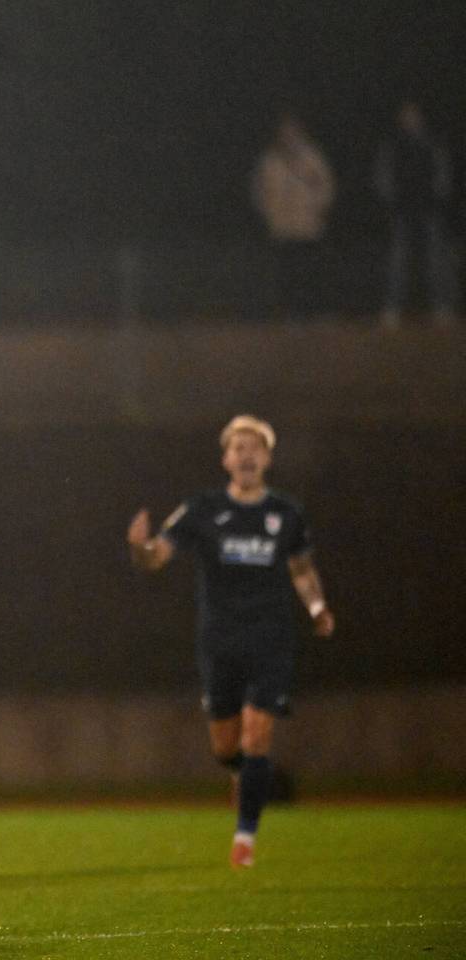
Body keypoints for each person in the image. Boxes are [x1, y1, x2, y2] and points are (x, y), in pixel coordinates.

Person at [126, 414, 336, 868]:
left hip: (270, 637)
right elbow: (156, 557)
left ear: (267, 458)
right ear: (226, 458)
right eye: (238, 447)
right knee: (226, 746)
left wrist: (317, 608)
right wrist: (139, 548)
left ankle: (245, 840)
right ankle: (245, 774)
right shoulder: (202, 510)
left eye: (254, 447)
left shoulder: (286, 513)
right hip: (220, 640)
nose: (246, 454)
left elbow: (301, 568)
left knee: (258, 732)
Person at [374, 102, 458, 328]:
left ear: (420, 117)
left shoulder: (433, 142)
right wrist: (391, 202)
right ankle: (392, 308)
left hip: (429, 210)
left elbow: (443, 174)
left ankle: (441, 306)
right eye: (405, 115)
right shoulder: (392, 144)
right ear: (400, 118)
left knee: (435, 260)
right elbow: (383, 177)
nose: (409, 119)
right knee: (398, 261)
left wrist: (438, 200)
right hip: (402, 211)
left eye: (413, 114)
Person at [251, 114, 335, 321]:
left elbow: (326, 184)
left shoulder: (312, 157)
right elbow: (259, 190)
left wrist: (320, 208)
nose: (289, 135)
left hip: (308, 225)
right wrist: (269, 213)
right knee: (285, 273)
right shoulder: (270, 160)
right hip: (282, 226)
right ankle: (289, 312)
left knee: (310, 271)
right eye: (285, 131)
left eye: (293, 131)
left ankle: (312, 311)